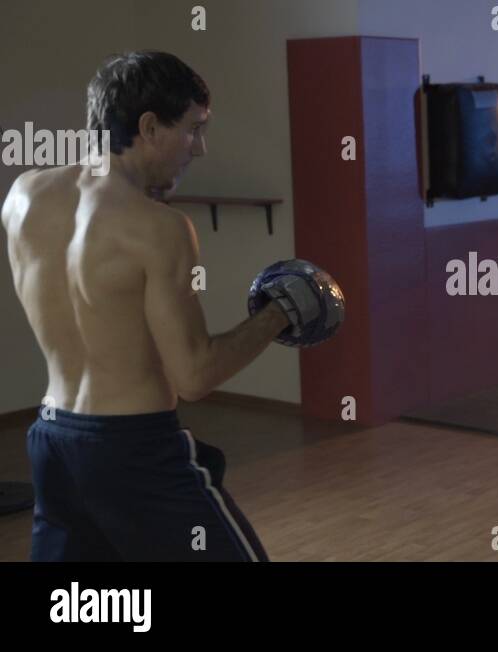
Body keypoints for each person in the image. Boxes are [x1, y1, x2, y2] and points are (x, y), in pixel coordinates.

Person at [1, 51, 342, 561]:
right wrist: (280, 312)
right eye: (193, 128)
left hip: (52, 441)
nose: (199, 148)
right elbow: (195, 374)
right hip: (134, 452)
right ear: (149, 126)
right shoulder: (159, 229)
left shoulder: (24, 195)